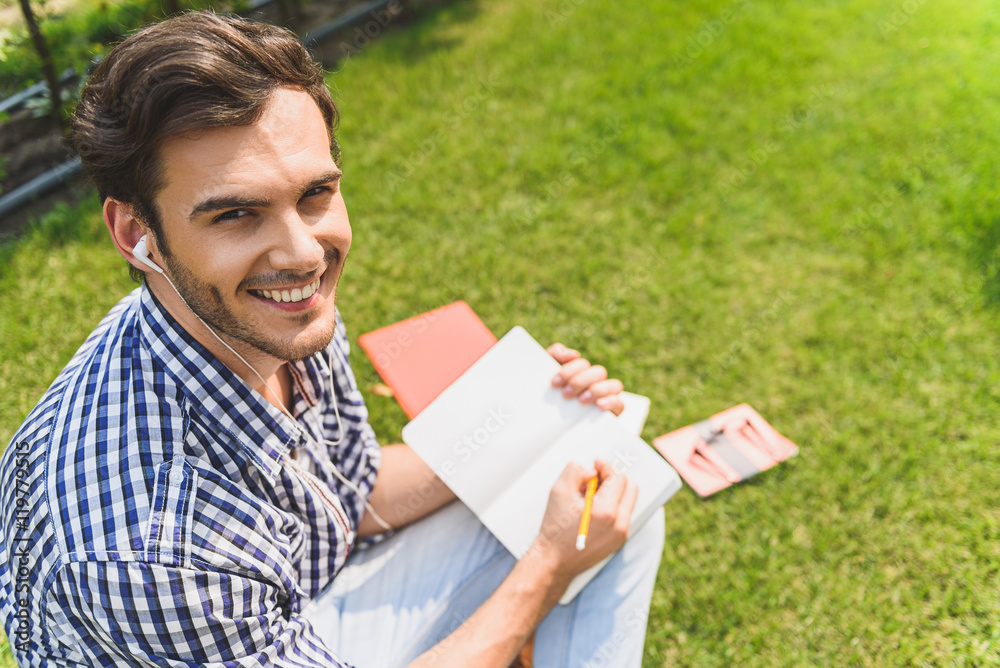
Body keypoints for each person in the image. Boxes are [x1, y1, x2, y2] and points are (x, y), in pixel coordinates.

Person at [0, 11, 665, 667]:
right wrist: (547, 566)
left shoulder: (264, 316)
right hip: (241, 627)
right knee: (572, 537)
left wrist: (528, 424)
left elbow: (352, 495)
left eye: (315, 192)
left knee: (608, 497)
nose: (303, 255)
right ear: (135, 234)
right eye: (236, 213)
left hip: (297, 605)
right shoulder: (148, 548)